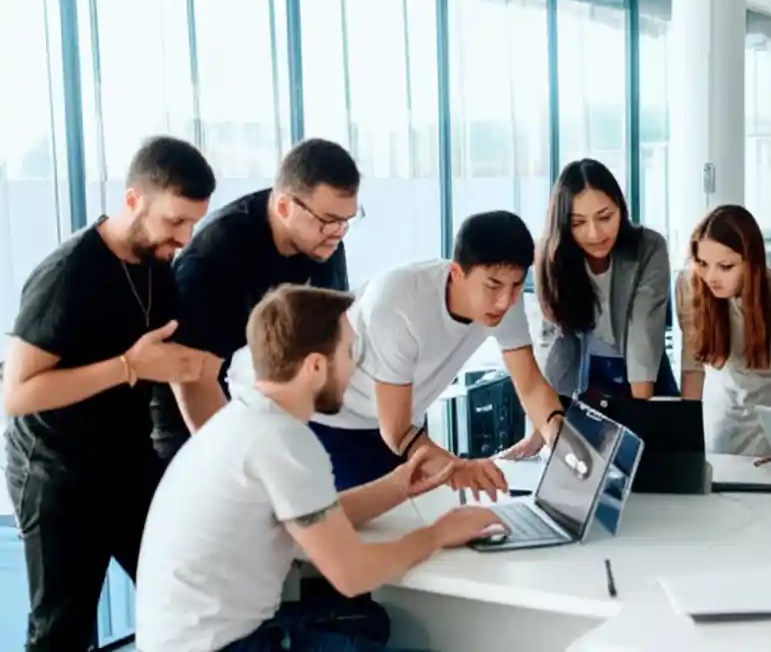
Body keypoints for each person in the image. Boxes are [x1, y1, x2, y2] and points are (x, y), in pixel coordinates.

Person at [137, 285, 503, 652]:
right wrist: (439, 533)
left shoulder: (247, 418)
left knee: (374, 623)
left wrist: (397, 486)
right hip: (226, 646)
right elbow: (352, 574)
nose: (356, 366)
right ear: (315, 366)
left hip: (187, 640)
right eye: (348, 352)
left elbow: (314, 520)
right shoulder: (282, 441)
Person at [2, 137, 214, 651]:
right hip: (56, 470)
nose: (184, 237)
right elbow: (17, 394)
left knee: (184, 591)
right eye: (174, 222)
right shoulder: (68, 274)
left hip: (125, 460)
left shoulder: (157, 266)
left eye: (193, 223)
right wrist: (127, 368)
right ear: (134, 199)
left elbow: (175, 365)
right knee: (63, 630)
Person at [229, 210, 564, 489]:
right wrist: (459, 470)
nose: (505, 300)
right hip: (326, 418)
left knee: (420, 516)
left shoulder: (505, 301)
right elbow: (396, 431)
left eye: (517, 286)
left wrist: (564, 445)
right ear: (457, 272)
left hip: (393, 422)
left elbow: (531, 385)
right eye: (493, 286)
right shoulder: (399, 305)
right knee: (360, 533)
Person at [152, 138, 361, 462]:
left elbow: (326, 338)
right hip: (193, 422)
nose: (337, 233)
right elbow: (190, 374)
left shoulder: (324, 243)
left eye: (346, 221)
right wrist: (233, 464)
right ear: (283, 207)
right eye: (327, 220)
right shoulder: (216, 255)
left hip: (259, 409)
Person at [675, 204, 771, 456]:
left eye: (725, 266)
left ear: (751, 262)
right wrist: (688, 442)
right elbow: (692, 368)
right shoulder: (689, 285)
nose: (711, 277)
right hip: (714, 424)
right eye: (702, 263)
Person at [535, 159, 676, 399]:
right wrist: (544, 423)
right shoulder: (551, 255)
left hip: (645, 374)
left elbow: (644, 328)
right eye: (578, 222)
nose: (595, 233)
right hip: (581, 375)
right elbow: (553, 339)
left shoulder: (649, 247)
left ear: (620, 208)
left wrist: (641, 413)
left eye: (605, 217)